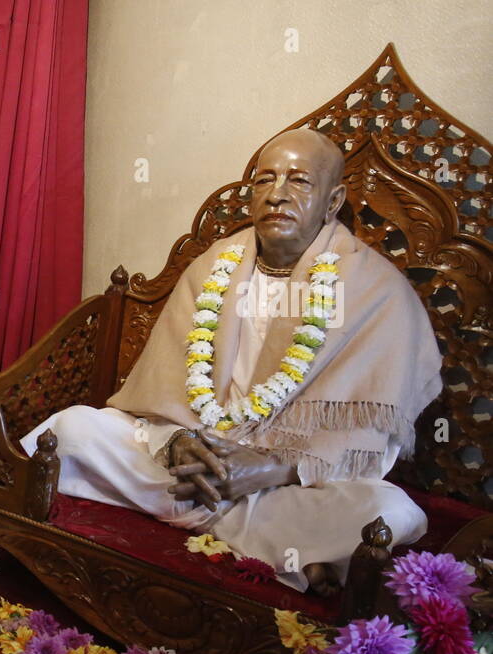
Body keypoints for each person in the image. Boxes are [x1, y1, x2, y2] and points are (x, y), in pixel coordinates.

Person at [22, 129, 442, 595]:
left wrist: (270, 468)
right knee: (73, 429)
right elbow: (163, 392)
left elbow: (368, 446)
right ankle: (279, 548)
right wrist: (178, 442)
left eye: (299, 181)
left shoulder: (376, 291)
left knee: (389, 512)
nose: (277, 194)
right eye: (265, 180)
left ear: (332, 200)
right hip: (190, 462)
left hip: (284, 485)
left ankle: (228, 521)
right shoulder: (213, 266)